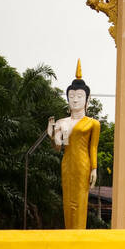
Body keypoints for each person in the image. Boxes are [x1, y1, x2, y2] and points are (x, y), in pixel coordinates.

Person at [47, 60, 100, 230]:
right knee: (68, 199)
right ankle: (69, 232)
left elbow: (93, 147)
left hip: (83, 164)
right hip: (67, 163)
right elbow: (60, 146)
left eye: (79, 97)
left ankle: (79, 233)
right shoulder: (63, 122)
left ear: (87, 99)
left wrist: (94, 168)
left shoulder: (93, 123)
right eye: (71, 97)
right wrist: (52, 134)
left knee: (80, 200)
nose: (75, 100)